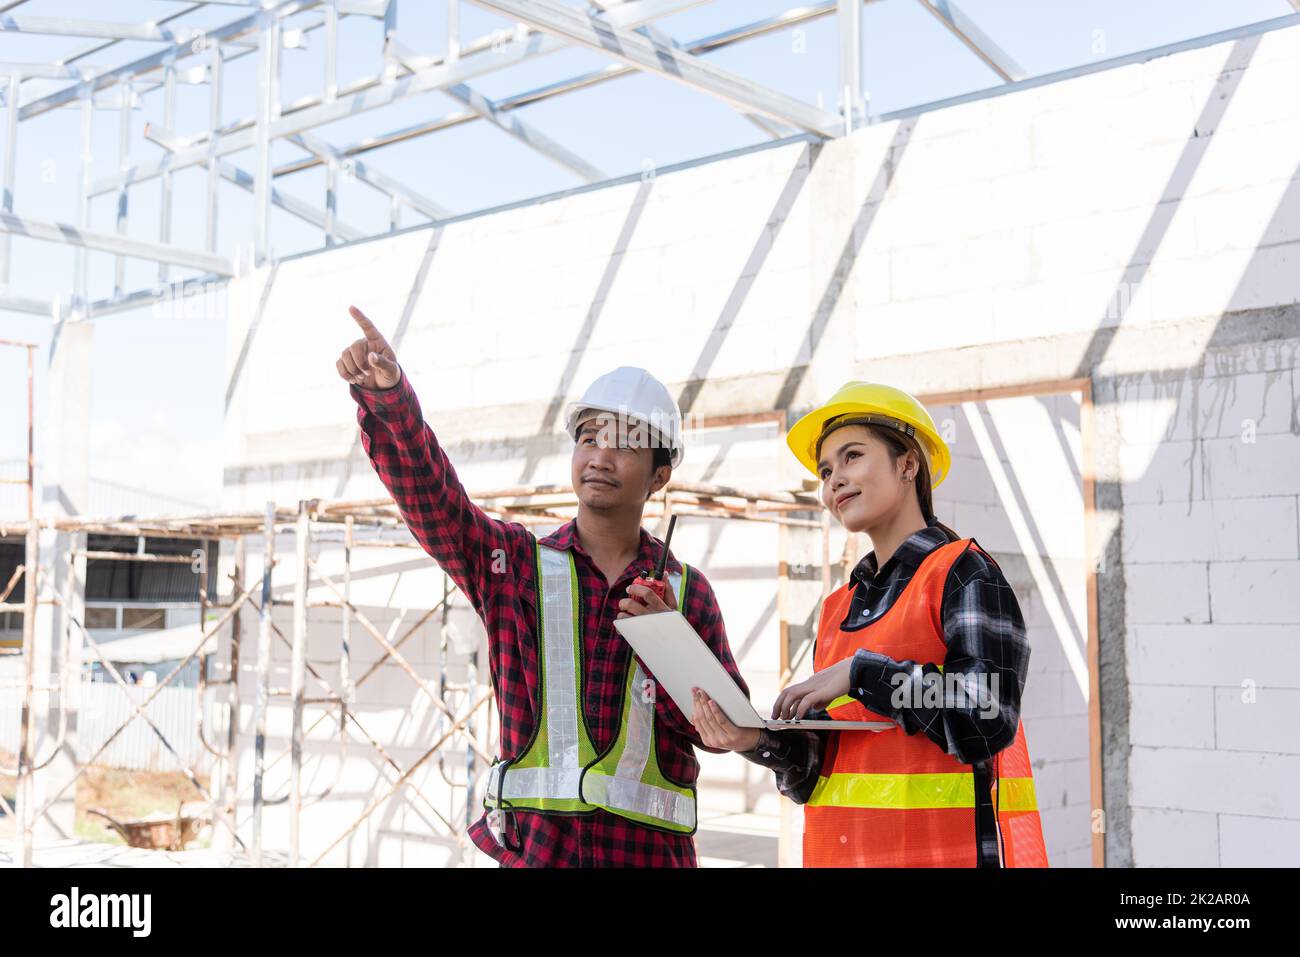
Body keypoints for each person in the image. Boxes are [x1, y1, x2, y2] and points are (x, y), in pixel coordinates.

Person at [337, 306, 748, 867]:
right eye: (589, 437)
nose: (601, 456)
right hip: (540, 855)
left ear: (659, 475)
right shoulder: (512, 566)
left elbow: (725, 729)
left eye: (625, 444)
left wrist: (669, 639)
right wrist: (390, 401)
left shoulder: (686, 591)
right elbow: (431, 499)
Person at [690, 382, 1048, 867]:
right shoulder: (838, 608)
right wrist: (755, 741)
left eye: (852, 456)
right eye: (825, 470)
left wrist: (862, 674)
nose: (834, 479)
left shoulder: (963, 573)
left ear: (907, 464)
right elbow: (819, 771)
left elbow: (987, 715)